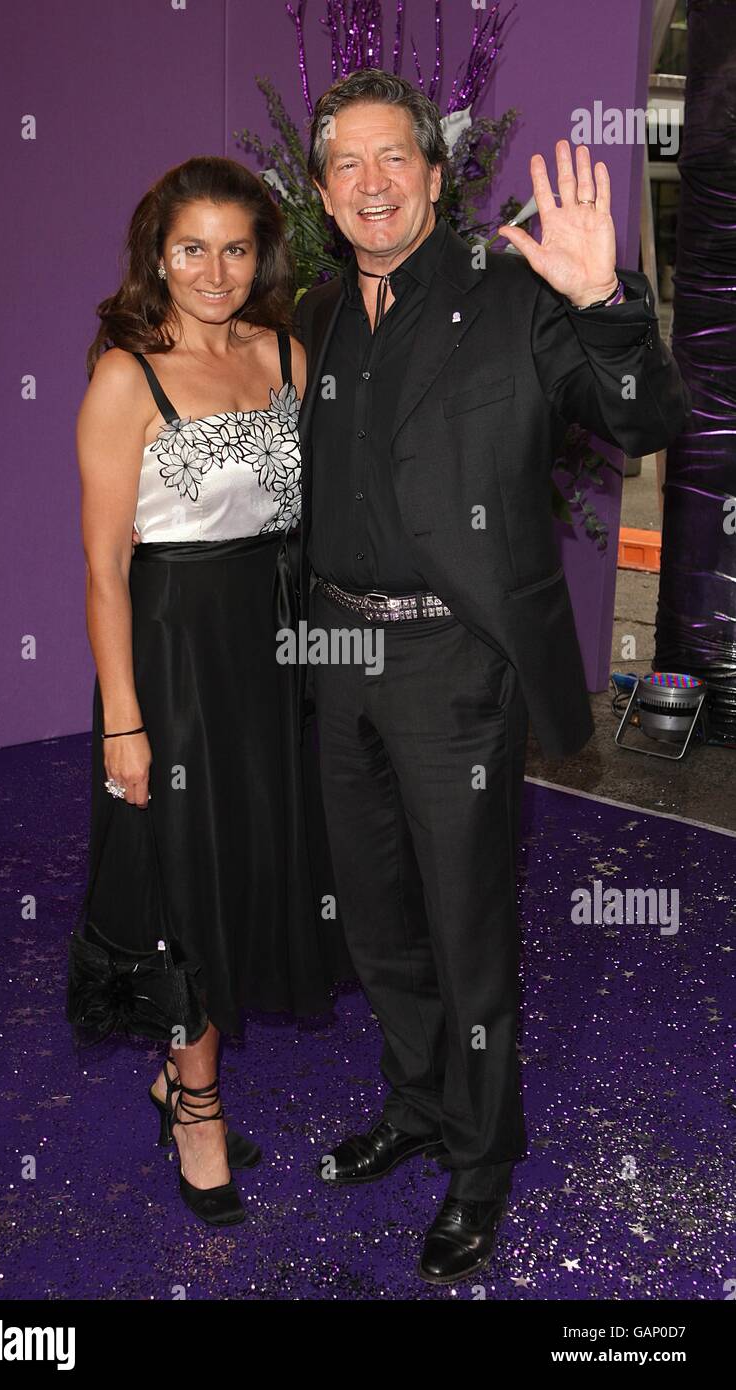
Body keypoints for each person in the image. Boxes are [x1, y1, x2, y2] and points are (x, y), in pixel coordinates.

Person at [292, 70, 692, 1284]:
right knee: (374, 915)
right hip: (335, 652)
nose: (371, 183)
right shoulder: (309, 314)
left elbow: (644, 419)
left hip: (451, 660)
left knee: (466, 926)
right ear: (321, 192)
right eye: (346, 166)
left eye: (391, 160)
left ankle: (478, 1162)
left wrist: (608, 299)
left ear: (431, 172)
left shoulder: (513, 288)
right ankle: (415, 1102)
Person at [70, 155, 349, 1229]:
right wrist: (126, 722)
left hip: (272, 652)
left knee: (251, 864)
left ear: (262, 254)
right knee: (182, 875)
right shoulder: (121, 378)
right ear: (156, 254)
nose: (215, 270)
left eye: (236, 247)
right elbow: (102, 571)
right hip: (175, 656)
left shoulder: (285, 353)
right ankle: (196, 1106)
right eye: (192, 247)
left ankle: (179, 1065)